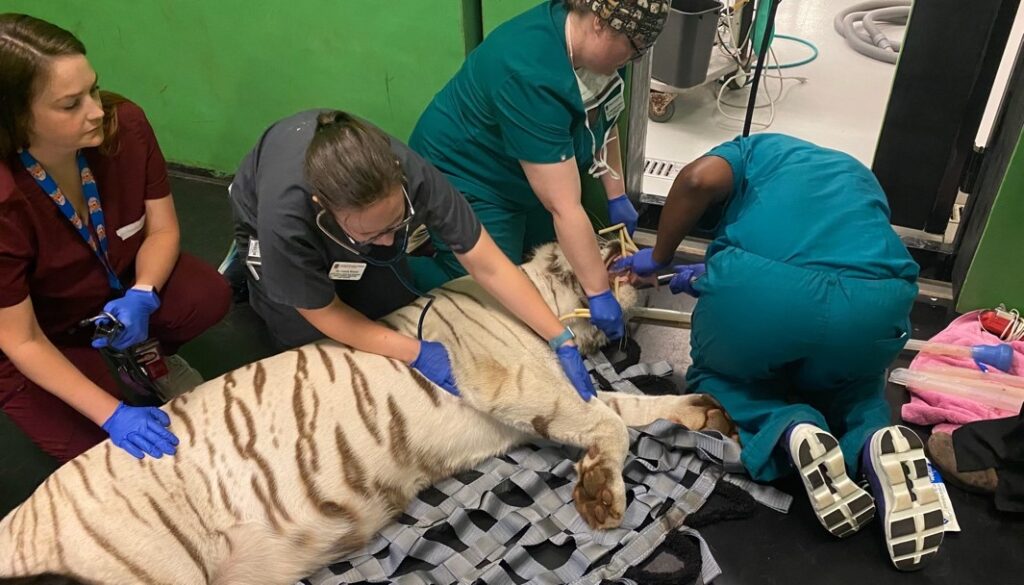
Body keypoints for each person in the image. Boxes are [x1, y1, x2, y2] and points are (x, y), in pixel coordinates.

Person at [613, 134, 944, 570]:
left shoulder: (749, 149)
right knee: (858, 386)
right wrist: (711, 275)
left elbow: (695, 180)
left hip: (762, 293)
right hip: (876, 301)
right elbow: (816, 254)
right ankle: (870, 440)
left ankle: (790, 428)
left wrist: (659, 256)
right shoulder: (855, 173)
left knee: (719, 382)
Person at [227, 110, 595, 401]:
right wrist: (415, 352)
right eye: (372, 232)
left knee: (391, 303)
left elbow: (487, 263)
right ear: (322, 208)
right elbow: (324, 314)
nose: (389, 242)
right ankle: (252, 274)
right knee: (306, 339)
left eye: (396, 222)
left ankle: (357, 243)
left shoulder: (412, 173)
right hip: (263, 217)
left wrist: (556, 333)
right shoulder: (284, 218)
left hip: (346, 220)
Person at [0, 14, 231, 462]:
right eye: (70, 105)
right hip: (33, 329)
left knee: (205, 296)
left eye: (93, 88)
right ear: (14, 118)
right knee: (97, 450)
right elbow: (21, 339)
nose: (97, 111)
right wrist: (112, 415)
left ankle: (142, 359)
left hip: (112, 289)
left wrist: (143, 293)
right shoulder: (7, 197)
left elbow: (163, 229)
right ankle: (107, 381)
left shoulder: (125, 125)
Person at [408, 0, 671, 342]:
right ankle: (387, 272)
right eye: (634, 49)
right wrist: (598, 294)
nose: (632, 60)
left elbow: (604, 119)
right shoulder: (529, 71)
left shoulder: (597, 48)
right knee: (485, 290)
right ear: (600, 24)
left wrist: (617, 193)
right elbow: (564, 206)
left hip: (521, 171)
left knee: (552, 262)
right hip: (466, 171)